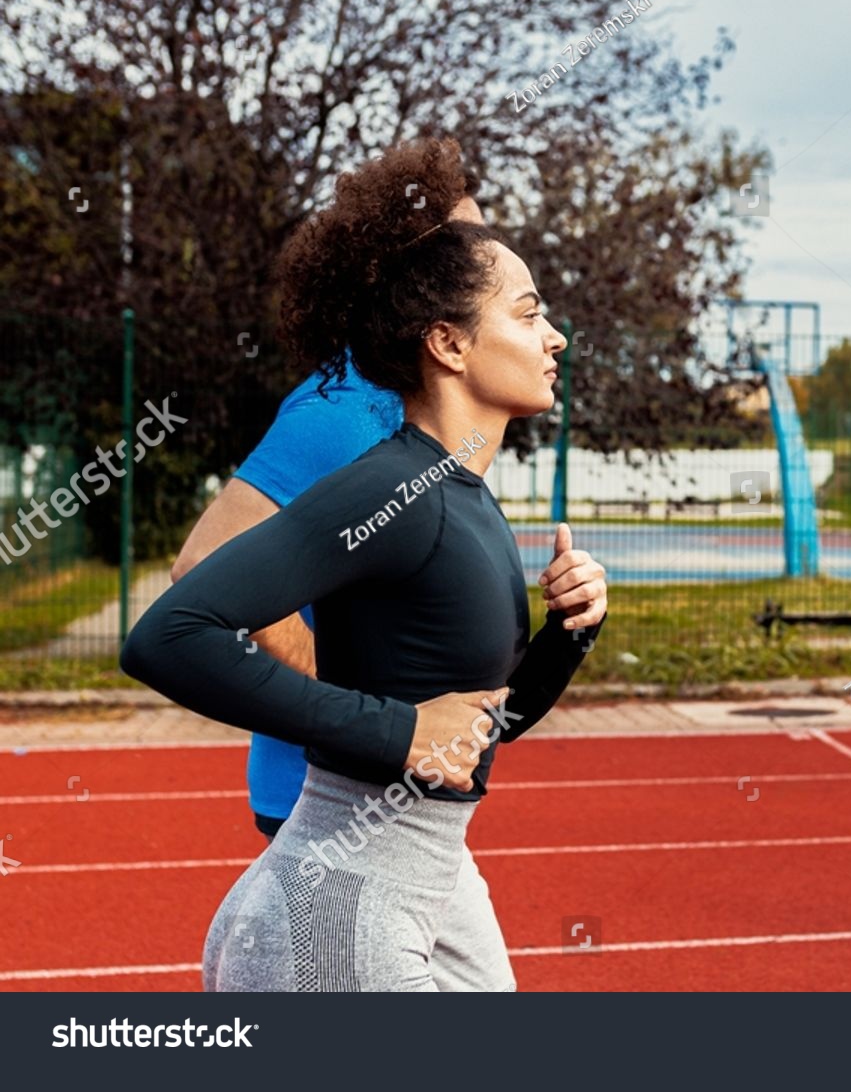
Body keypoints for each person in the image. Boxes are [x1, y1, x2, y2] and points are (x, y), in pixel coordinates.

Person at [121, 137, 607, 992]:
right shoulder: (387, 478)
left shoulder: (463, 493)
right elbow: (168, 633)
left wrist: (570, 634)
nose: (555, 336)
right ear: (447, 341)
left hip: (424, 883)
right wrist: (389, 725)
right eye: (527, 314)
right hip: (342, 903)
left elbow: (473, 736)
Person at [169, 162, 485, 843]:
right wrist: (358, 709)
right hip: (325, 797)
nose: (491, 261)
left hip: (405, 791)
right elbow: (201, 564)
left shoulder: (425, 409)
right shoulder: (342, 408)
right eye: (464, 248)